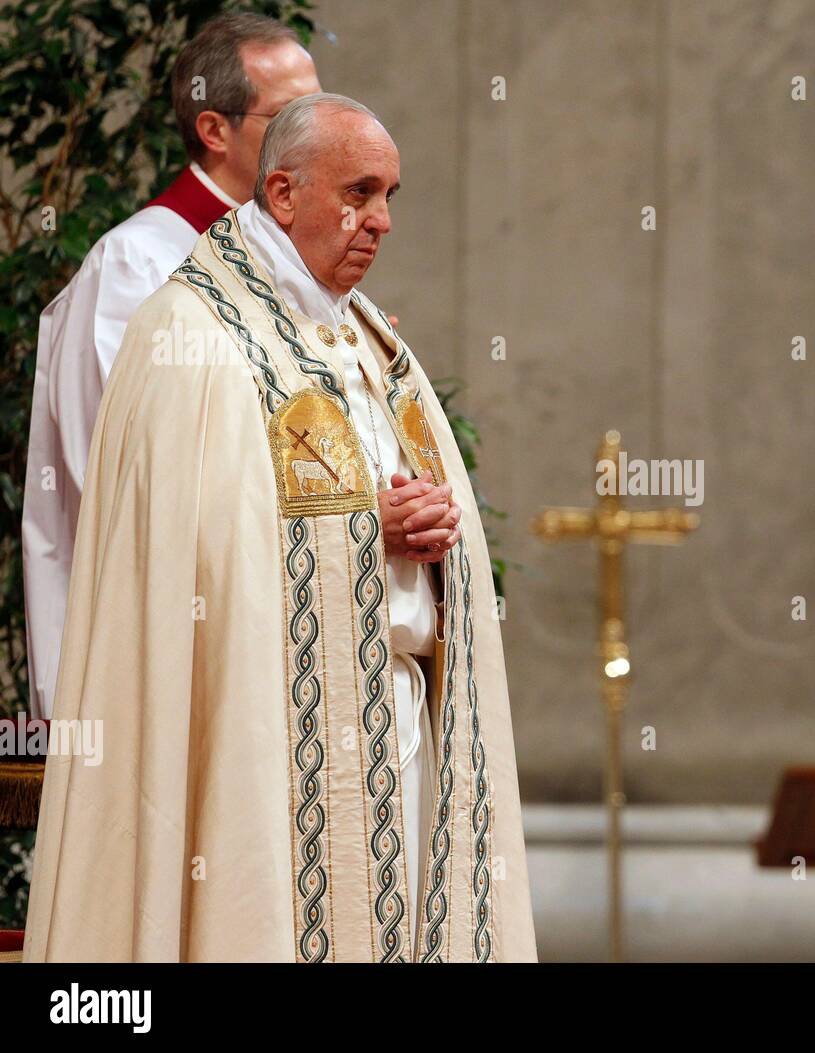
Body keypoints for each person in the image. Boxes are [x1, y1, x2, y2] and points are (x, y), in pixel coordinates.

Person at [22, 93, 536, 962]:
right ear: (285, 193)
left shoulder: (369, 343)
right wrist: (366, 533)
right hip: (263, 748)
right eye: (359, 193)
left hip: (396, 727)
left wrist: (430, 530)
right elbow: (197, 551)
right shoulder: (191, 337)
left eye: (390, 197)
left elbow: (383, 506)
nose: (379, 221)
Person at [22, 12, 321, 720]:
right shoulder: (138, 265)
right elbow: (125, 474)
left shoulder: (296, 268)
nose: (316, 133)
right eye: (291, 115)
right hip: (151, 649)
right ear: (215, 130)